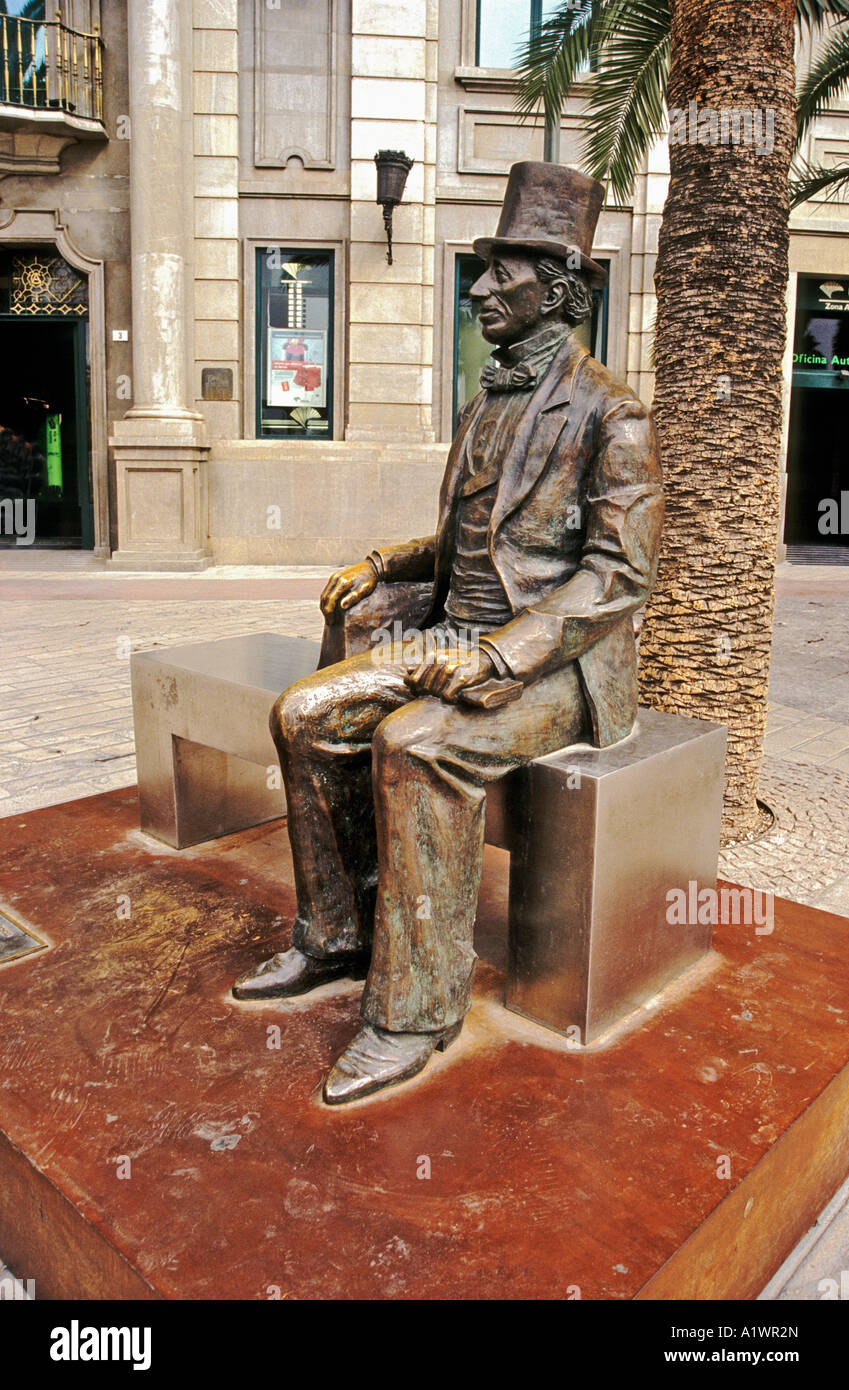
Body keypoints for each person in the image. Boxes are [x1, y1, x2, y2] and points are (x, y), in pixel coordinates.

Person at [233, 162, 664, 1104]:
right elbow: (467, 538)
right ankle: (338, 940)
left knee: (415, 745)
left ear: (554, 290)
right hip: (444, 636)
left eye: (497, 276)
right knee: (302, 715)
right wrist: (388, 566)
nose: (476, 292)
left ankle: (415, 1013)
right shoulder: (483, 402)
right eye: (480, 274)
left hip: (553, 663)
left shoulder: (612, 413)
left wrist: (504, 654)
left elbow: (620, 573)